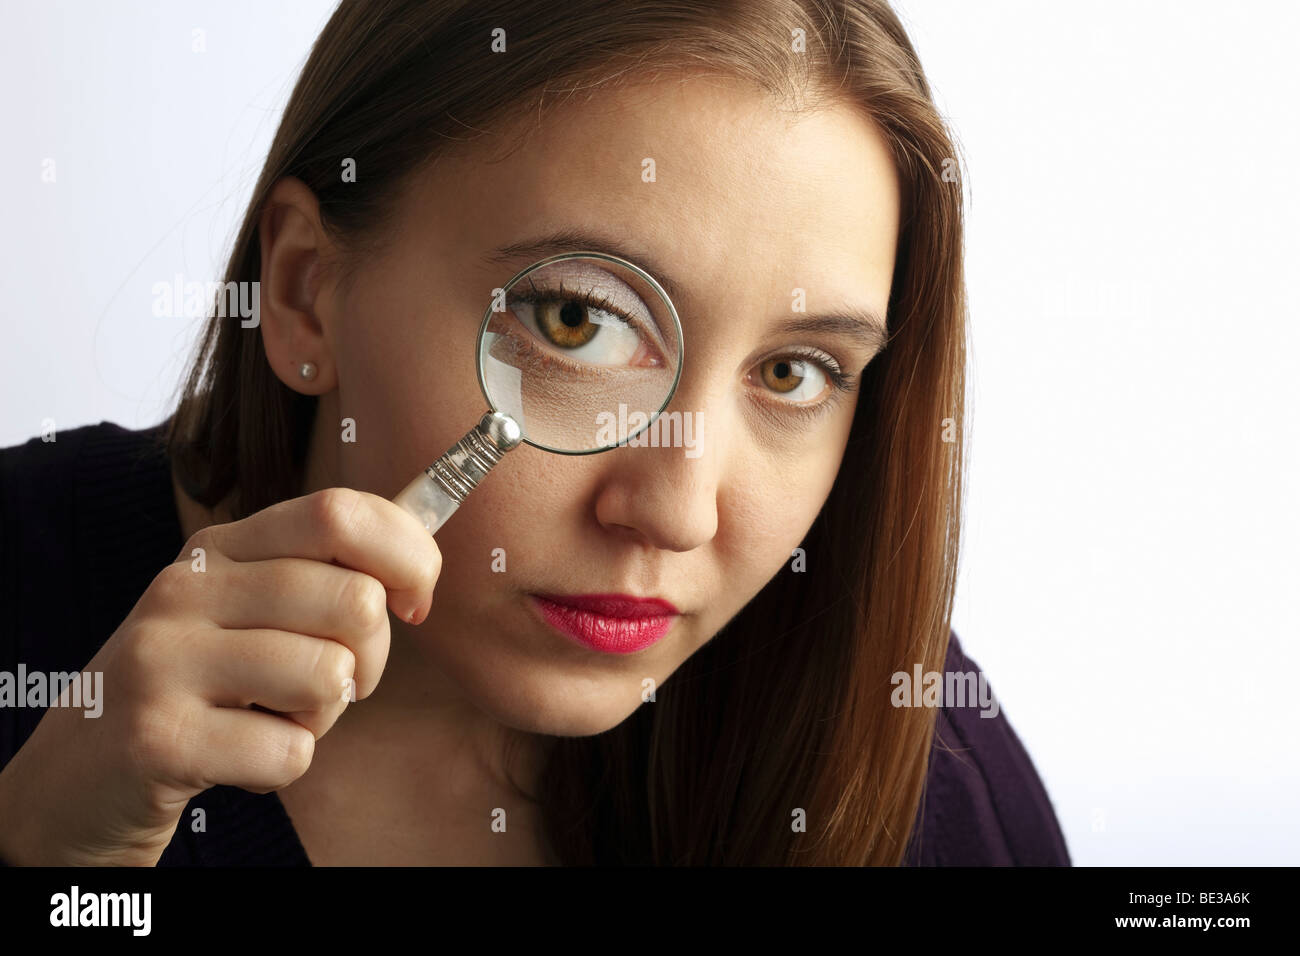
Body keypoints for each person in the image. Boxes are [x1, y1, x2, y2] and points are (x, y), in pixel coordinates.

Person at [0, 0, 1069, 866]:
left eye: (795, 371)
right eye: (577, 321)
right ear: (303, 290)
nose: (677, 509)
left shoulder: (903, 759)